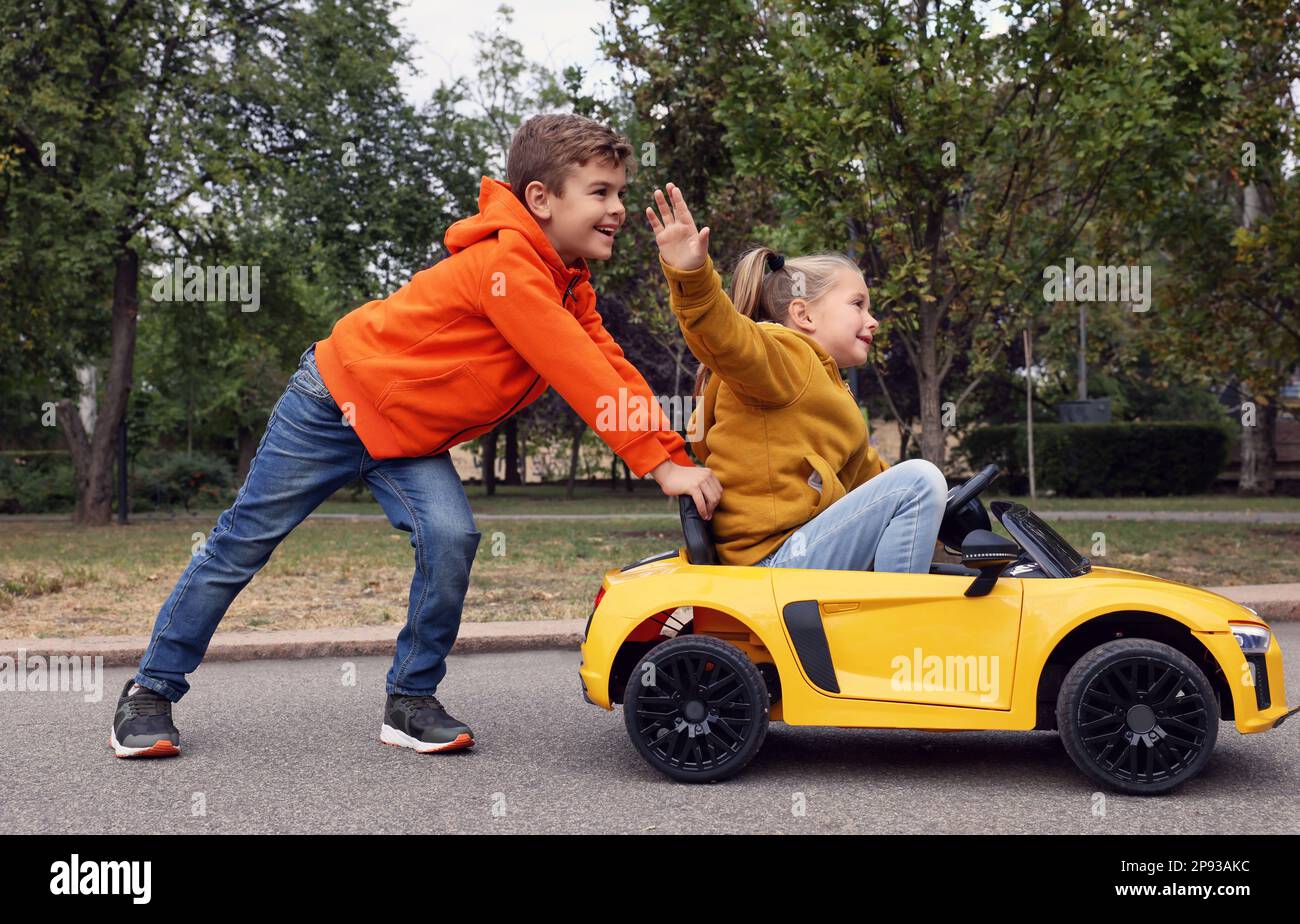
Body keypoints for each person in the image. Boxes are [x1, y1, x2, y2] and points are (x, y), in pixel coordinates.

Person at [110, 116, 722, 759]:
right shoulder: (508, 265)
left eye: (620, 192)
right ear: (541, 198)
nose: (618, 209)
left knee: (450, 535)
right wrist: (661, 465)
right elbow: (577, 369)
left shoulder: (567, 283)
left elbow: (609, 362)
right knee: (242, 543)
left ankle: (409, 699)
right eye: (600, 192)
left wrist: (675, 455)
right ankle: (150, 692)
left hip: (407, 435)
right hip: (333, 403)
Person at [646, 182, 947, 572]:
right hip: (775, 558)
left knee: (917, 487)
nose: (872, 320)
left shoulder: (829, 389)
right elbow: (727, 337)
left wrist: (949, 512)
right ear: (804, 315)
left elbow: (870, 477)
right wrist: (692, 277)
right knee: (919, 480)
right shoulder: (784, 355)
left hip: (801, 546)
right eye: (858, 304)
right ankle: (897, 624)